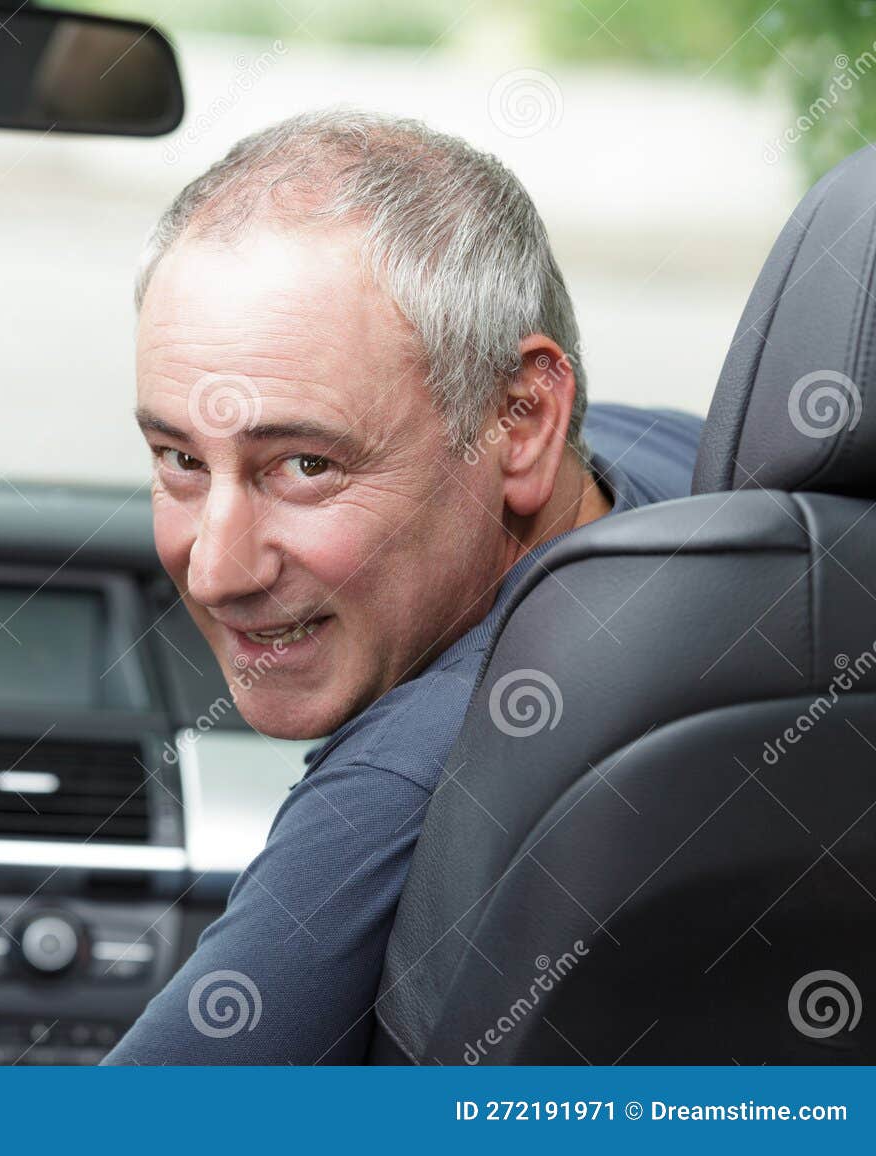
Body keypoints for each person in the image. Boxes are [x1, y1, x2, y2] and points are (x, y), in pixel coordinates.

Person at [106, 109, 701, 1063]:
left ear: (522, 417)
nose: (214, 570)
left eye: (303, 466)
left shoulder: (405, 781)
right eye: (179, 457)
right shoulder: (689, 471)